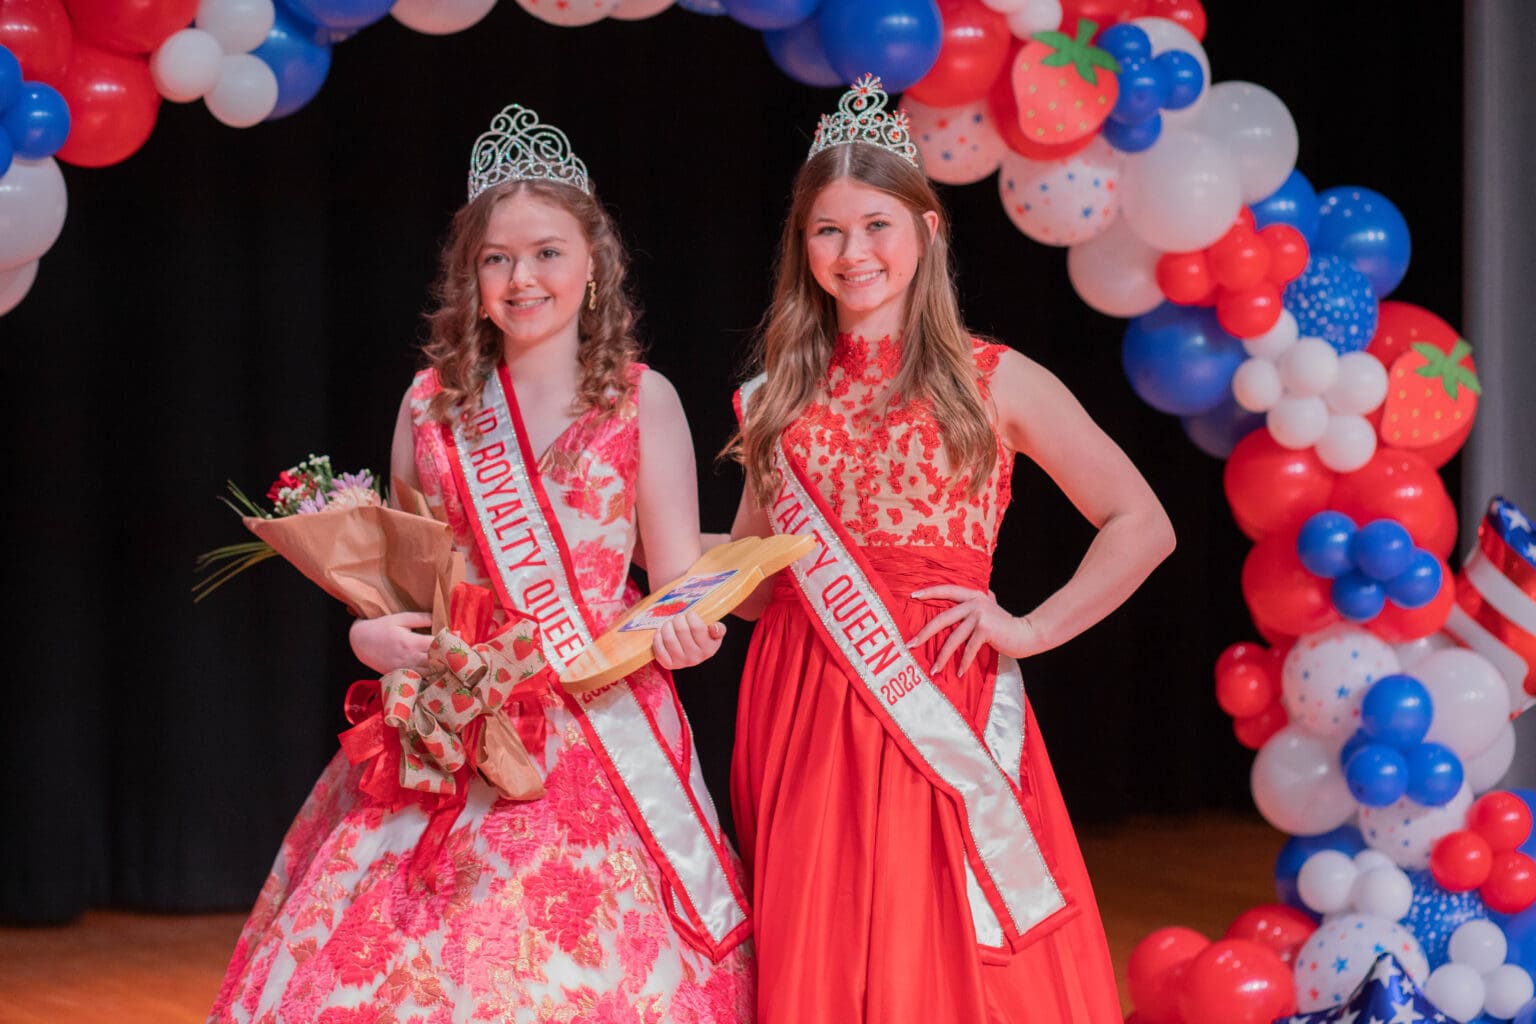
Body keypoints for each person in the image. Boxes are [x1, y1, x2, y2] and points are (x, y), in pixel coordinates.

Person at [210, 103, 754, 1022]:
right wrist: (371, 636)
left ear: (593, 264)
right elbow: (402, 582)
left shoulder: (642, 400)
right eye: (496, 259)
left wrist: (688, 634)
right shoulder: (429, 405)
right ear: (471, 275)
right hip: (454, 715)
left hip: (597, 717)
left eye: (546, 253)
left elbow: (675, 584)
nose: (521, 278)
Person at [725, 76, 1176, 1022]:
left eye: (876, 225)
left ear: (928, 231)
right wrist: (634, 557)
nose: (853, 252)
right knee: (822, 935)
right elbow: (753, 579)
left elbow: (1141, 522)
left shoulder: (992, 378)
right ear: (803, 246)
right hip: (800, 699)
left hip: (937, 689)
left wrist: (1034, 629)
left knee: (943, 933)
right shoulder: (776, 399)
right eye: (828, 231)